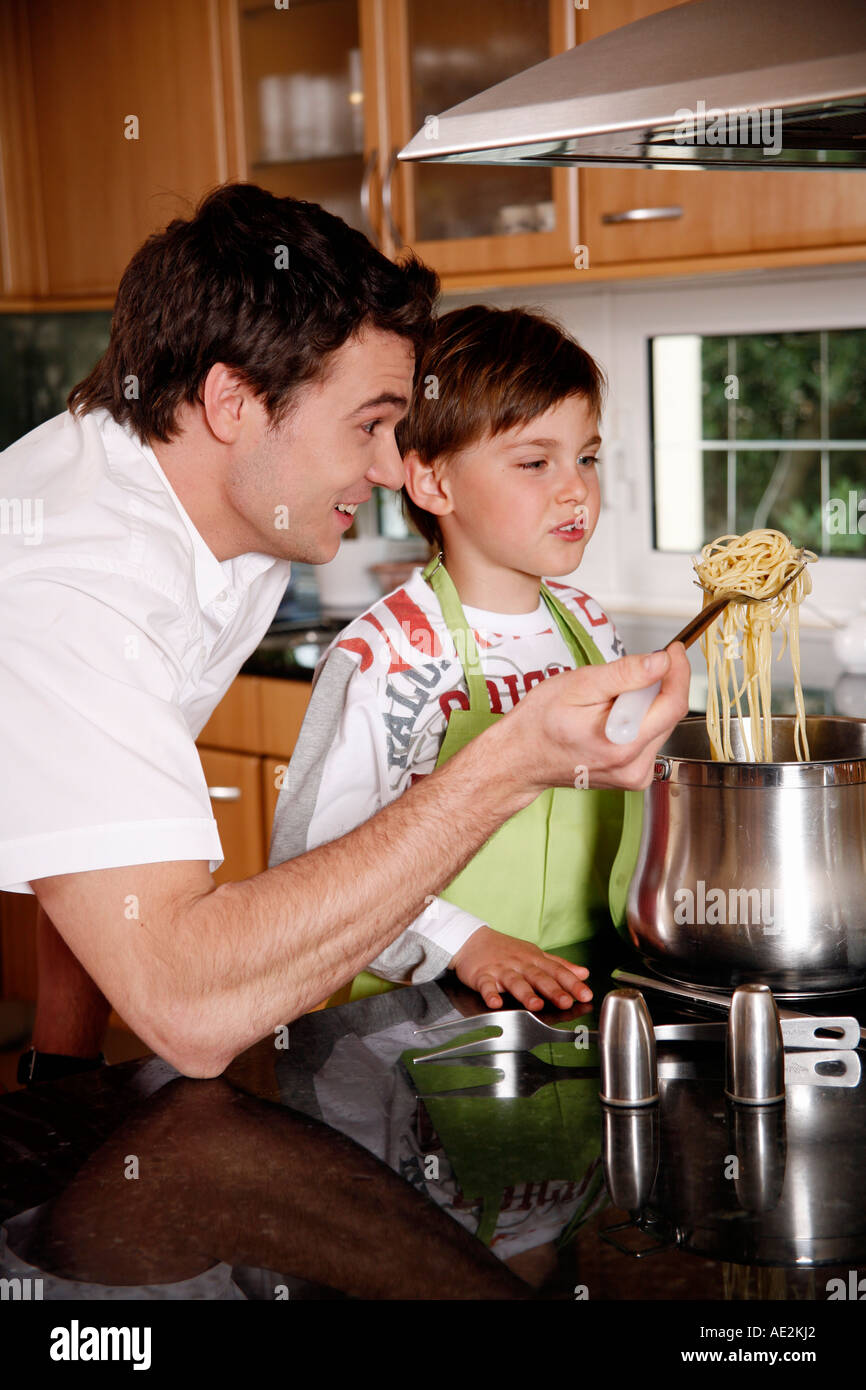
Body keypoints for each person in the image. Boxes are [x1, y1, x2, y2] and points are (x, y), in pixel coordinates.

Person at [0, 184, 690, 1082]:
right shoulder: (77, 590)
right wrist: (511, 762)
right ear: (233, 401)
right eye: (370, 424)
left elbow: (93, 835)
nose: (387, 466)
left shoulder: (235, 520)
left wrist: (67, 1074)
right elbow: (194, 1011)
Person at [270, 306, 643, 1011]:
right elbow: (312, 872)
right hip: (419, 1013)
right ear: (434, 484)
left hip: (584, 987)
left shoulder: (590, 627)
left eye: (586, 457)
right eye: (536, 462)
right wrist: (465, 942)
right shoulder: (387, 654)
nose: (576, 489)